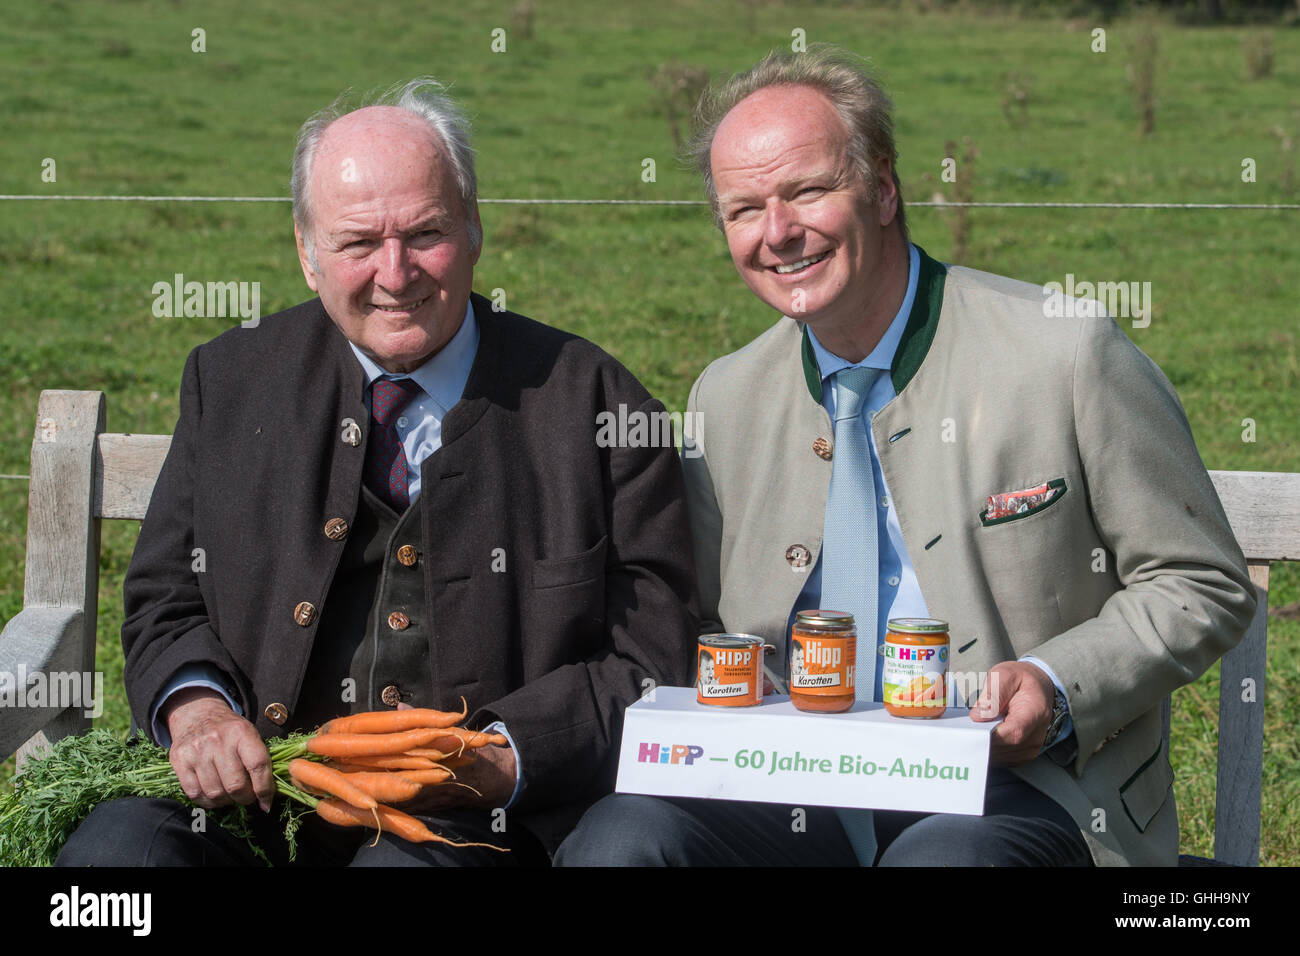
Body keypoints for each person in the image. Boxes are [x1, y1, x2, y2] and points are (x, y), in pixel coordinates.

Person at [555, 47, 1256, 867]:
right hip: (795, 785)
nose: (777, 232)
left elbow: (1200, 580)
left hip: (1026, 789)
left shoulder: (1064, 353)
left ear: (883, 188)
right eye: (744, 209)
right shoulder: (727, 395)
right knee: (620, 841)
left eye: (807, 191)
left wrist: (1055, 685)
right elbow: (708, 619)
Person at [56, 78, 698, 867]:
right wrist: (198, 712)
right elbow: (166, 598)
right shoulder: (228, 384)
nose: (395, 274)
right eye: (359, 243)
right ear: (306, 251)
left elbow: (653, 652)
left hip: (464, 829)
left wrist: (499, 757)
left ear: (473, 231)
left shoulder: (597, 406)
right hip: (246, 808)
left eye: (424, 233)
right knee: (114, 866)